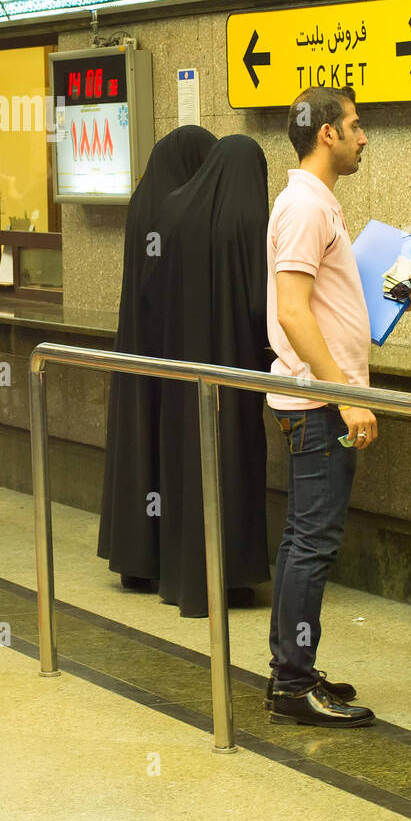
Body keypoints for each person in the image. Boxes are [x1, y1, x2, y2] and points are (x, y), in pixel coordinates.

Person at [265, 86, 411, 728]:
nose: (364, 138)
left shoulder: (319, 204)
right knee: (313, 542)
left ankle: (293, 669)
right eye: (356, 126)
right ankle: (291, 681)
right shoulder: (303, 205)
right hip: (318, 404)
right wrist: (342, 394)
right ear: (326, 134)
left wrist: (396, 293)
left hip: (321, 398)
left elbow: (334, 295)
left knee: (307, 540)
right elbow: (292, 310)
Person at [142, 134, 272, 618]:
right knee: (231, 464)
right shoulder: (249, 219)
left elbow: (152, 290)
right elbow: (262, 303)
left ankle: (184, 579)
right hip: (232, 372)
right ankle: (230, 577)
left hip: (179, 372)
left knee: (185, 467)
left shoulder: (174, 209)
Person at [98, 124, 216, 590]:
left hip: (138, 349)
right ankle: (168, 554)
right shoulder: (176, 213)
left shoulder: (144, 200)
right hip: (171, 351)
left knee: (140, 445)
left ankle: (139, 557)